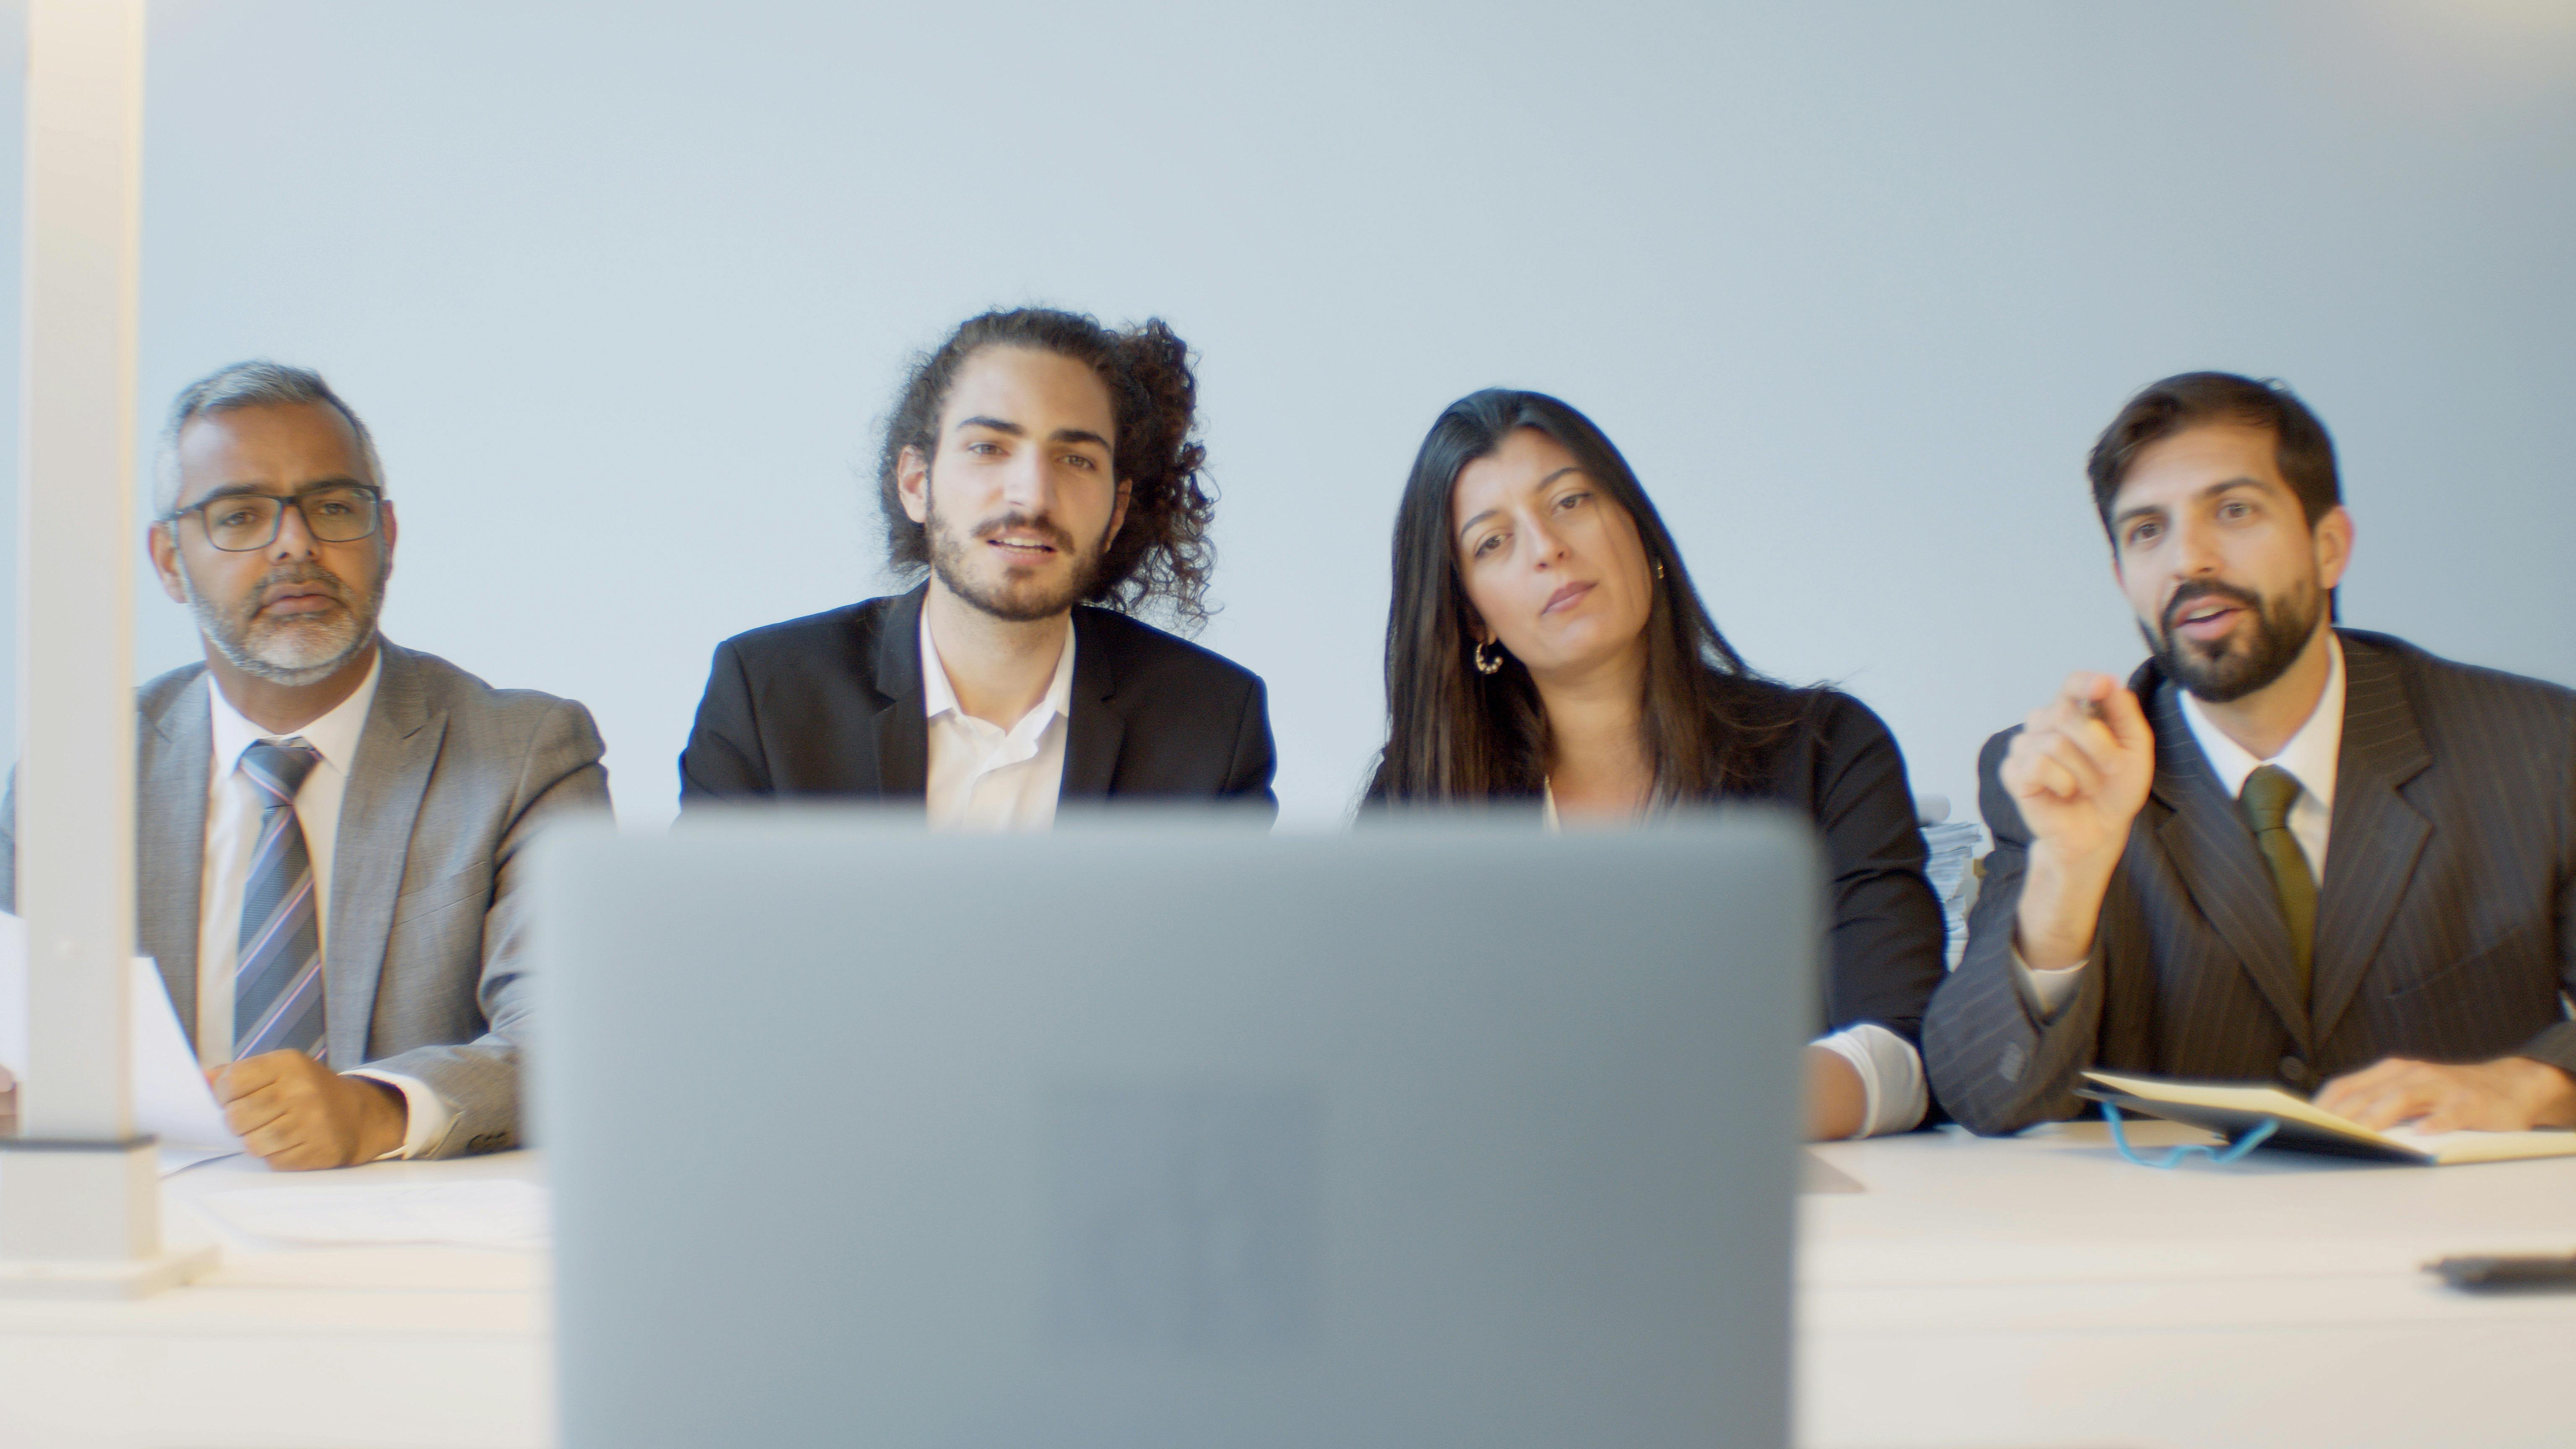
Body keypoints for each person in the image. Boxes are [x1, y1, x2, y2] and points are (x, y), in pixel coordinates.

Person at [1922, 372, 2576, 1136]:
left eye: (2234, 511)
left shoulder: (2539, 747)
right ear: (2123, 579)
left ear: (2328, 547)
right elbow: (1983, 1092)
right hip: (2188, 1241)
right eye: (2146, 532)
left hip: (2470, 1236)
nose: (2188, 559)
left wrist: (2535, 1086)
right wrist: (2068, 872)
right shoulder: (2068, 777)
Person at [0, 361, 610, 1169]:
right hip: (142, 1233)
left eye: (332, 508)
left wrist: (376, 1110)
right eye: (241, 515)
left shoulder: (526, 753)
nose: (296, 543)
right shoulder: (83, 766)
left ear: (385, 538)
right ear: (170, 563)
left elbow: (572, 1041)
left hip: (415, 1251)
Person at [1365, 389, 1948, 1140]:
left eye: (1571, 501)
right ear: (1474, 614)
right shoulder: (1419, 802)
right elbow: (1381, 1074)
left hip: (1772, 1214)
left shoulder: (1827, 750)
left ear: (1639, 528)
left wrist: (1682, 1112)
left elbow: (1902, 1053)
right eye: (1492, 543)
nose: (1547, 548)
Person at [680, 308, 1276, 824]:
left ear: (1117, 511)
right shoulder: (766, 696)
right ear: (916, 484)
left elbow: (1229, 957)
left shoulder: (1214, 724)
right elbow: (709, 944)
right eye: (988, 448)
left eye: (1075, 459)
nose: (1032, 496)